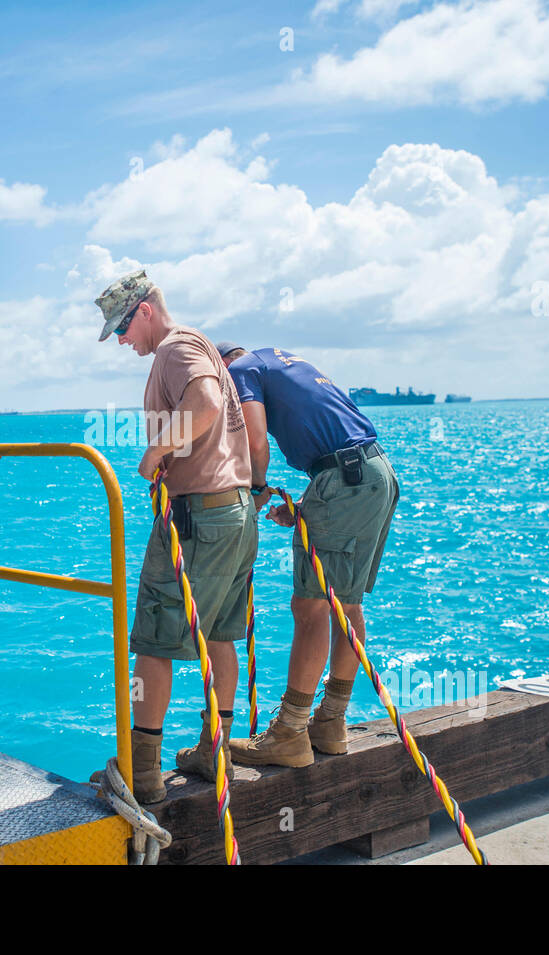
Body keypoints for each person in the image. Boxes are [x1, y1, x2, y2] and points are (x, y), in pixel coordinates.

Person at [94, 271, 257, 804]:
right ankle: (218, 751)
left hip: (198, 518)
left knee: (154, 641)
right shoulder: (201, 345)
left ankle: (141, 771)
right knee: (219, 635)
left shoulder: (173, 348)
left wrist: (157, 451)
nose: (121, 339)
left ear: (144, 310)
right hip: (235, 512)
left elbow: (206, 403)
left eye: (121, 326)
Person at [217, 343, 399, 768]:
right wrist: (310, 507)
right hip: (374, 474)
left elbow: (256, 442)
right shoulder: (283, 362)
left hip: (343, 479)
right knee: (346, 604)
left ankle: (290, 732)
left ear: (225, 364)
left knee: (311, 608)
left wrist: (256, 490)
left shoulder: (241, 371)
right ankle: (330, 723)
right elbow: (336, 436)